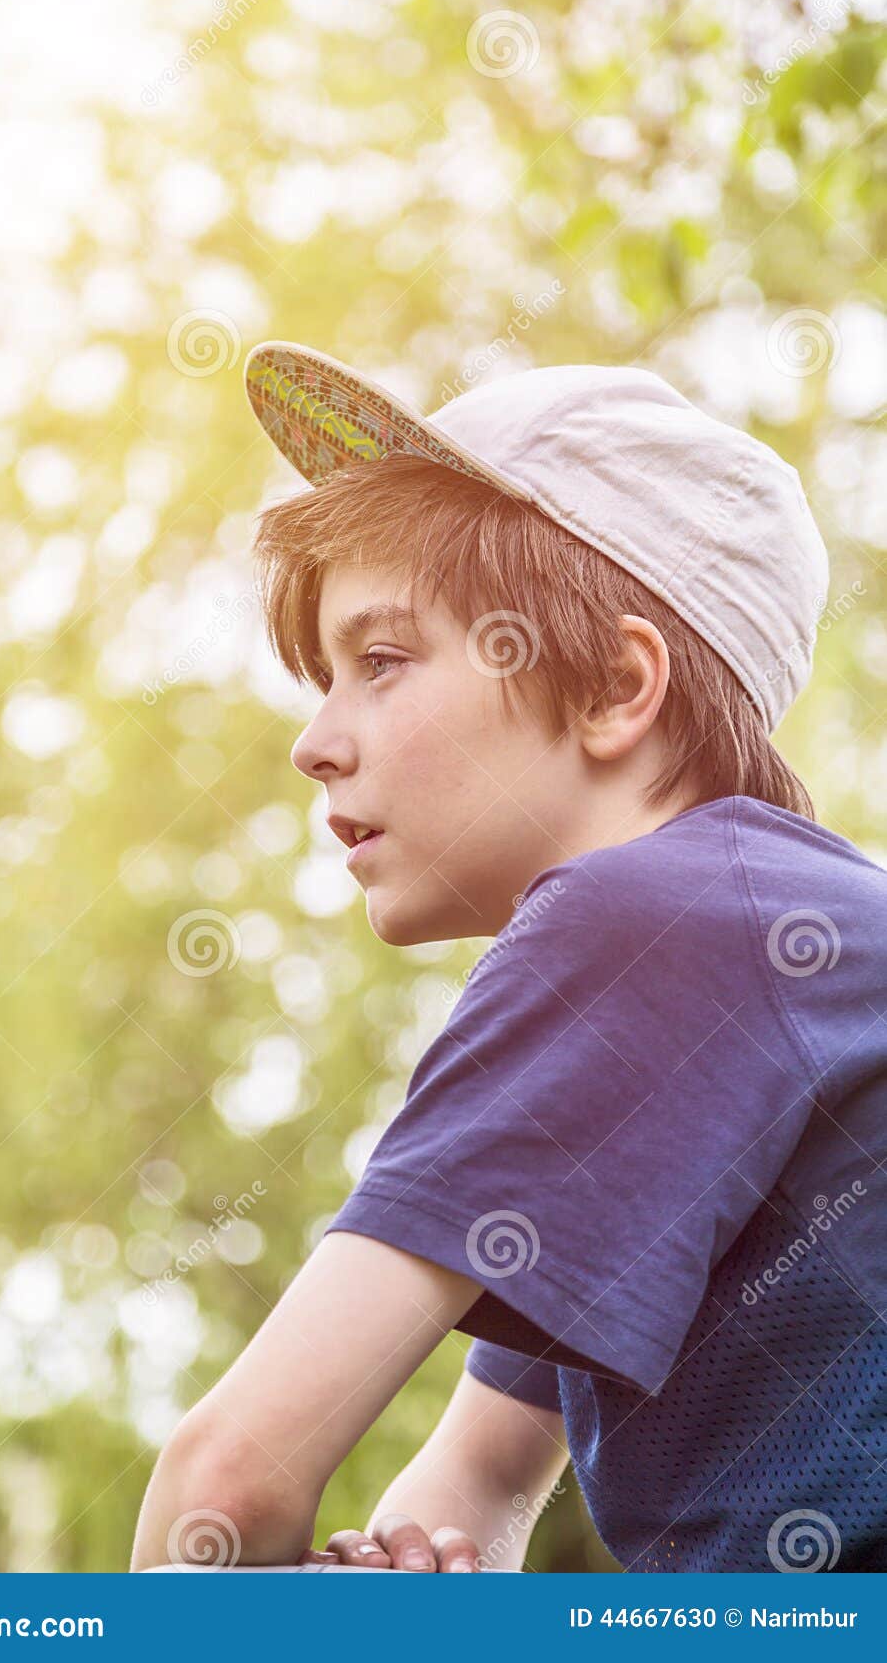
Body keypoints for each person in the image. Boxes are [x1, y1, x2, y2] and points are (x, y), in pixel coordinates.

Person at [130, 343, 887, 1574]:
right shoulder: (757, 943)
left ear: (613, 687)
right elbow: (473, 1491)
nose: (315, 741)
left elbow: (229, 1476)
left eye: (379, 661)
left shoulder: (656, 920)